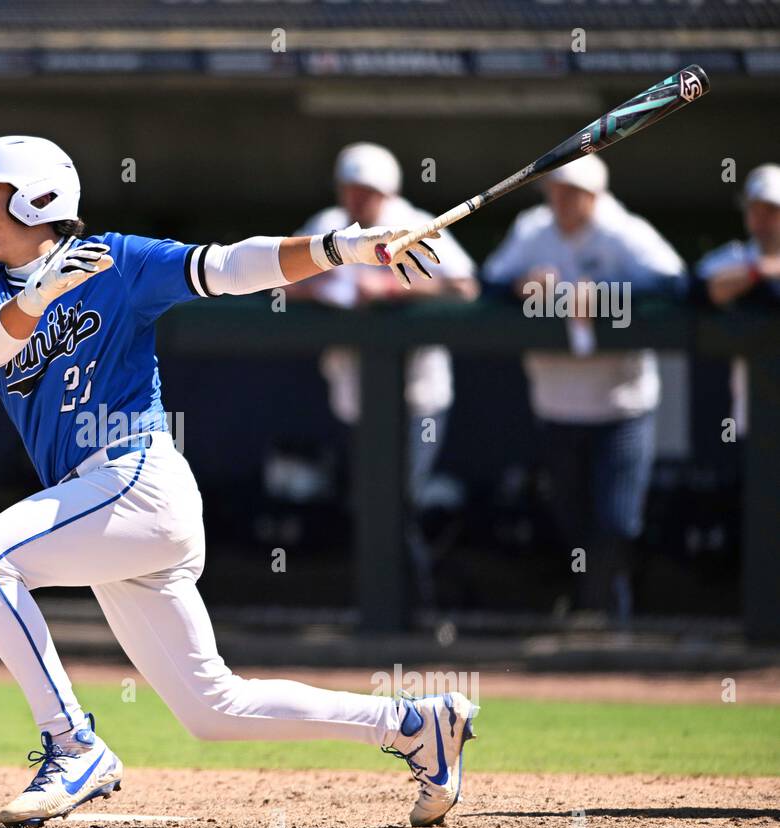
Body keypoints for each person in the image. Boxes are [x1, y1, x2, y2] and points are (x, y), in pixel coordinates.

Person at [0, 135, 478, 828]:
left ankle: (74, 745)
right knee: (212, 709)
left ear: (39, 199)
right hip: (104, 514)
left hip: (136, 479)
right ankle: (414, 726)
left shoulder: (118, 260)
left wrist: (341, 247)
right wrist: (40, 294)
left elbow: (228, 266)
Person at [482, 154, 686, 621]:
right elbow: (487, 282)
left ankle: (613, 618)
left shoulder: (621, 230)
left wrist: (603, 291)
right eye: (555, 191)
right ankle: (590, 611)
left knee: (617, 521)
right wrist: (521, 284)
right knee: (573, 521)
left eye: (571, 193)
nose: (560, 201)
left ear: (594, 196)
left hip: (621, 403)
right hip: (556, 403)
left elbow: (674, 284)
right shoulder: (533, 228)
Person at [288, 142, 479, 608]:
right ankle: (394, 606)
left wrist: (393, 287)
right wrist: (327, 289)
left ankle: (417, 607)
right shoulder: (325, 226)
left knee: (396, 504)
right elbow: (279, 280)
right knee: (372, 505)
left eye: (367, 191)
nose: (357, 199)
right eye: (350, 190)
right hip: (354, 394)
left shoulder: (413, 223)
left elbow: (465, 286)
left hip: (418, 397)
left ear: (387, 191)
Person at [694, 163, 780, 437]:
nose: (763, 220)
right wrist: (758, 272)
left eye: (772, 211)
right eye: (756, 210)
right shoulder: (736, 258)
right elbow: (698, 289)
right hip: (754, 413)